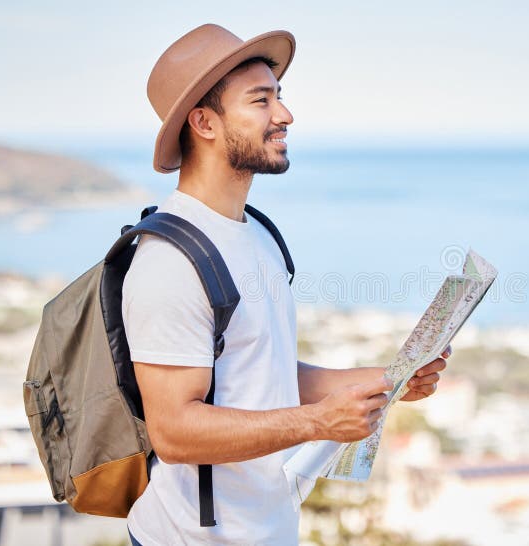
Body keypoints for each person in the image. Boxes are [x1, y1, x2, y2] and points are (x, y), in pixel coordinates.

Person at [122, 24, 450, 545]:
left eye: (279, 98)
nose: (285, 116)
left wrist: (388, 381)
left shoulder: (258, 235)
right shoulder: (168, 260)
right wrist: (318, 423)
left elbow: (261, 372)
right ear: (204, 122)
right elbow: (174, 431)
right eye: (261, 101)